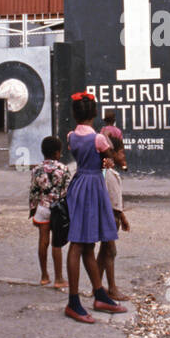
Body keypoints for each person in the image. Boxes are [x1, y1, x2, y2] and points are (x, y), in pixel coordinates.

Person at [63, 92, 125, 323]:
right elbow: (110, 159)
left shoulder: (71, 136)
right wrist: (107, 160)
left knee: (86, 244)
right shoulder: (99, 139)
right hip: (93, 186)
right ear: (95, 113)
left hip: (79, 183)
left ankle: (99, 294)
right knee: (79, 244)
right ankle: (73, 302)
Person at [29, 136, 70, 290]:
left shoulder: (36, 170)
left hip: (42, 207)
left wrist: (33, 211)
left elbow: (33, 192)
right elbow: (67, 192)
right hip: (58, 209)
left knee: (43, 241)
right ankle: (59, 278)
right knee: (56, 243)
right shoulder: (63, 169)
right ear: (57, 153)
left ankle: (44, 276)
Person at [101, 135, 131, 301]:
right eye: (122, 153)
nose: (124, 157)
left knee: (103, 253)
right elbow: (111, 202)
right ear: (113, 153)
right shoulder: (109, 175)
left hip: (112, 217)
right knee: (111, 252)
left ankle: (97, 286)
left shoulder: (109, 173)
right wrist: (119, 216)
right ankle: (112, 288)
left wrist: (123, 217)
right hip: (109, 218)